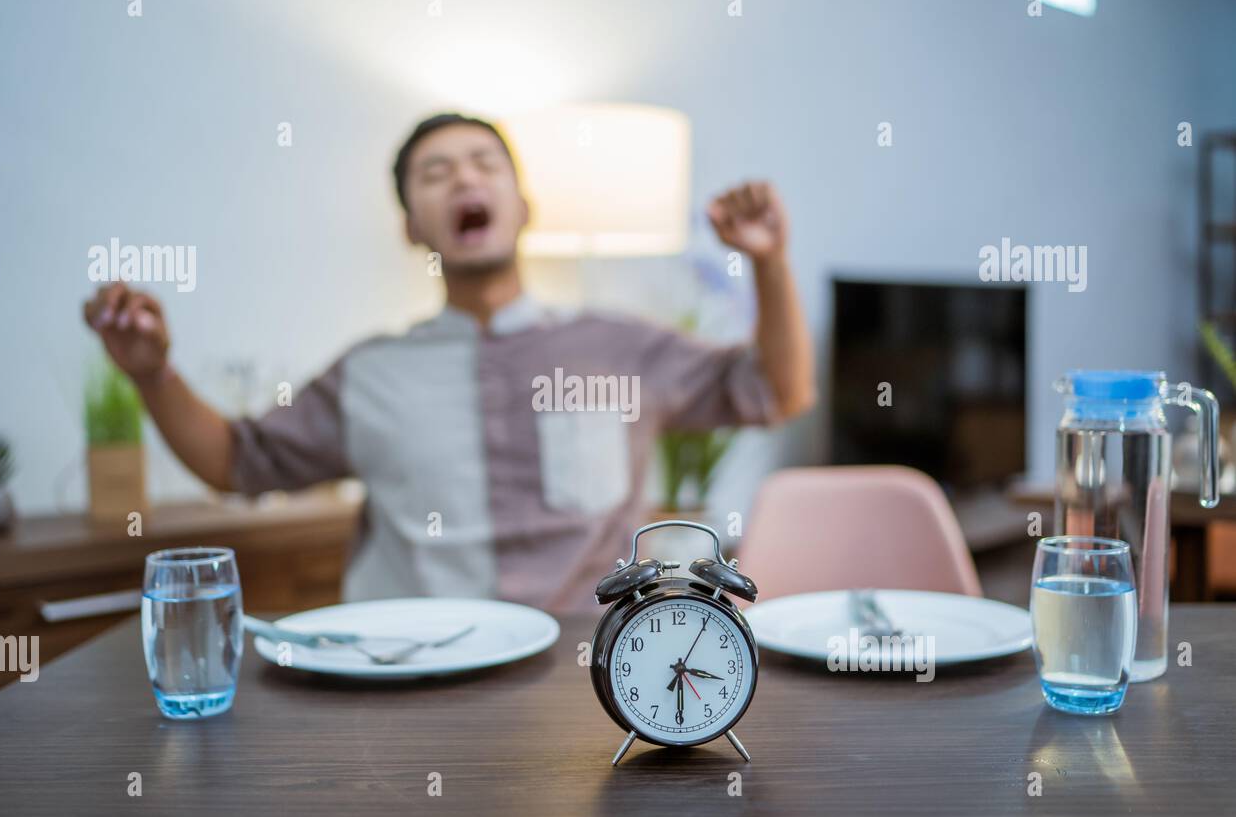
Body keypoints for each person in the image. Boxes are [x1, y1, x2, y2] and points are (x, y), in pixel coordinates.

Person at [83, 112, 815, 611]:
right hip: (415, 676)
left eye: (484, 164)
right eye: (435, 173)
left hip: (586, 677)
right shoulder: (368, 374)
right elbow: (235, 462)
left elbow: (777, 391)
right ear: (410, 225)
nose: (465, 180)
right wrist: (152, 373)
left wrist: (770, 262)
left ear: (524, 206)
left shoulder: (619, 346)